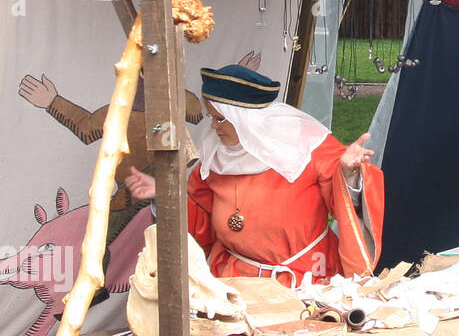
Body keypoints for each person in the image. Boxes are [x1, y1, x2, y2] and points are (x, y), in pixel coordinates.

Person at [126, 64, 383, 284]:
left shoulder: (306, 146)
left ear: (245, 120)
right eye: (212, 118)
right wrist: (165, 194)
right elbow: (200, 217)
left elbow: (346, 203)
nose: (213, 127)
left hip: (302, 280)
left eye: (220, 119)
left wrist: (349, 174)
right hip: (234, 280)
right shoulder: (217, 156)